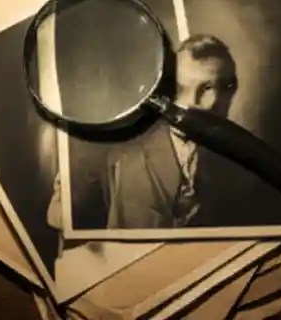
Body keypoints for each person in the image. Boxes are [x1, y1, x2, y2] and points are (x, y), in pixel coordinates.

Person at [47, 34, 261, 231]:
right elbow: (60, 218)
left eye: (224, 87)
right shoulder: (115, 147)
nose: (210, 102)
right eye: (199, 88)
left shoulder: (241, 160)